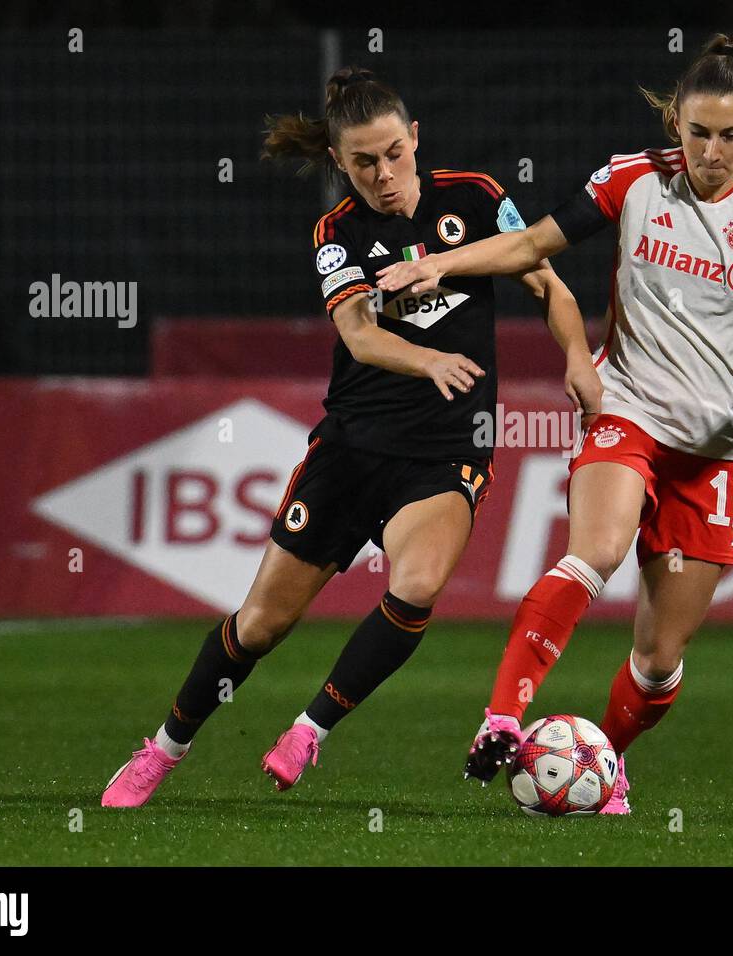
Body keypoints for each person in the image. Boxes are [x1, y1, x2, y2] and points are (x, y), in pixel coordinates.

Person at [378, 33, 733, 814]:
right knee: (595, 553)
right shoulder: (633, 179)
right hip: (629, 410)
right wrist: (441, 263)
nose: (712, 151)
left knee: (658, 658)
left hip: (717, 452)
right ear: (676, 121)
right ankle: (501, 716)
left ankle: (604, 763)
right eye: (699, 132)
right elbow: (535, 242)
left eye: (730, 135)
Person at [101, 66, 601, 807]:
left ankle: (309, 730)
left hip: (445, 451)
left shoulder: (475, 197)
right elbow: (360, 337)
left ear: (416, 138)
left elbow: (548, 283)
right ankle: (163, 750)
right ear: (339, 161)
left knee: (418, 585)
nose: (385, 174)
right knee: (262, 625)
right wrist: (427, 357)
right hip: (352, 449)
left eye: (395, 153)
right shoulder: (337, 233)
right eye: (364, 161)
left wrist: (575, 356)